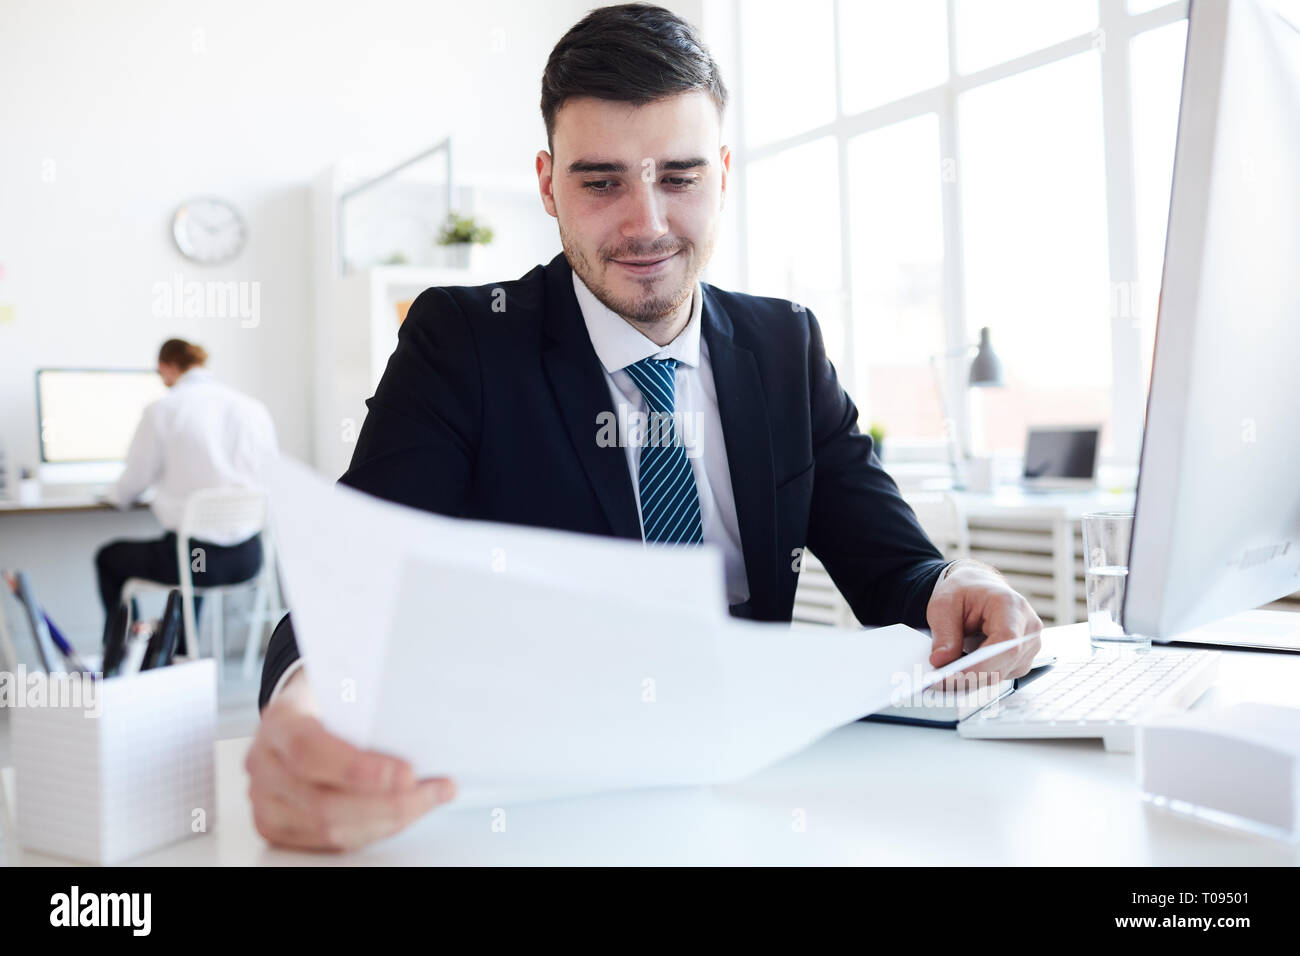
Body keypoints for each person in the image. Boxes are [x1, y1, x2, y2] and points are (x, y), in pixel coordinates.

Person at [246, 3, 1043, 852]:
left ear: (724, 172)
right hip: (548, 814)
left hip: (751, 802)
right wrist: (307, 699)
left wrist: (960, 580)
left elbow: (897, 569)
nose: (647, 224)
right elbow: (349, 597)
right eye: (602, 182)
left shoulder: (785, 345)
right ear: (548, 184)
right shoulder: (464, 343)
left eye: (679, 176)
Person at [96, 339, 278, 652]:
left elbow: (134, 479)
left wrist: (115, 497)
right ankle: (178, 648)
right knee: (189, 552)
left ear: (167, 367)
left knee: (110, 557)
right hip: (249, 559)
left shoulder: (163, 409)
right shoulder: (251, 408)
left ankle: (123, 652)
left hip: (197, 563)